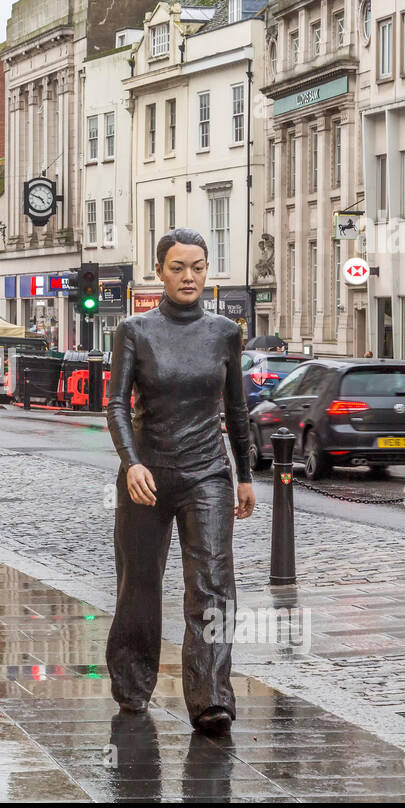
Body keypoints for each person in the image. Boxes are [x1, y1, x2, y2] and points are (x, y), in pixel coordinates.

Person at [105, 227, 255, 737]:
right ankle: (132, 682)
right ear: (159, 272)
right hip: (147, 474)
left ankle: (211, 696)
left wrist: (245, 475)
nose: (188, 276)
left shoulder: (225, 333)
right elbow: (116, 405)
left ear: (207, 271)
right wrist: (131, 463)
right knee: (139, 584)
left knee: (212, 584)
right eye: (177, 267)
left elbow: (237, 410)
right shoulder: (135, 330)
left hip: (207, 473)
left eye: (197, 266)